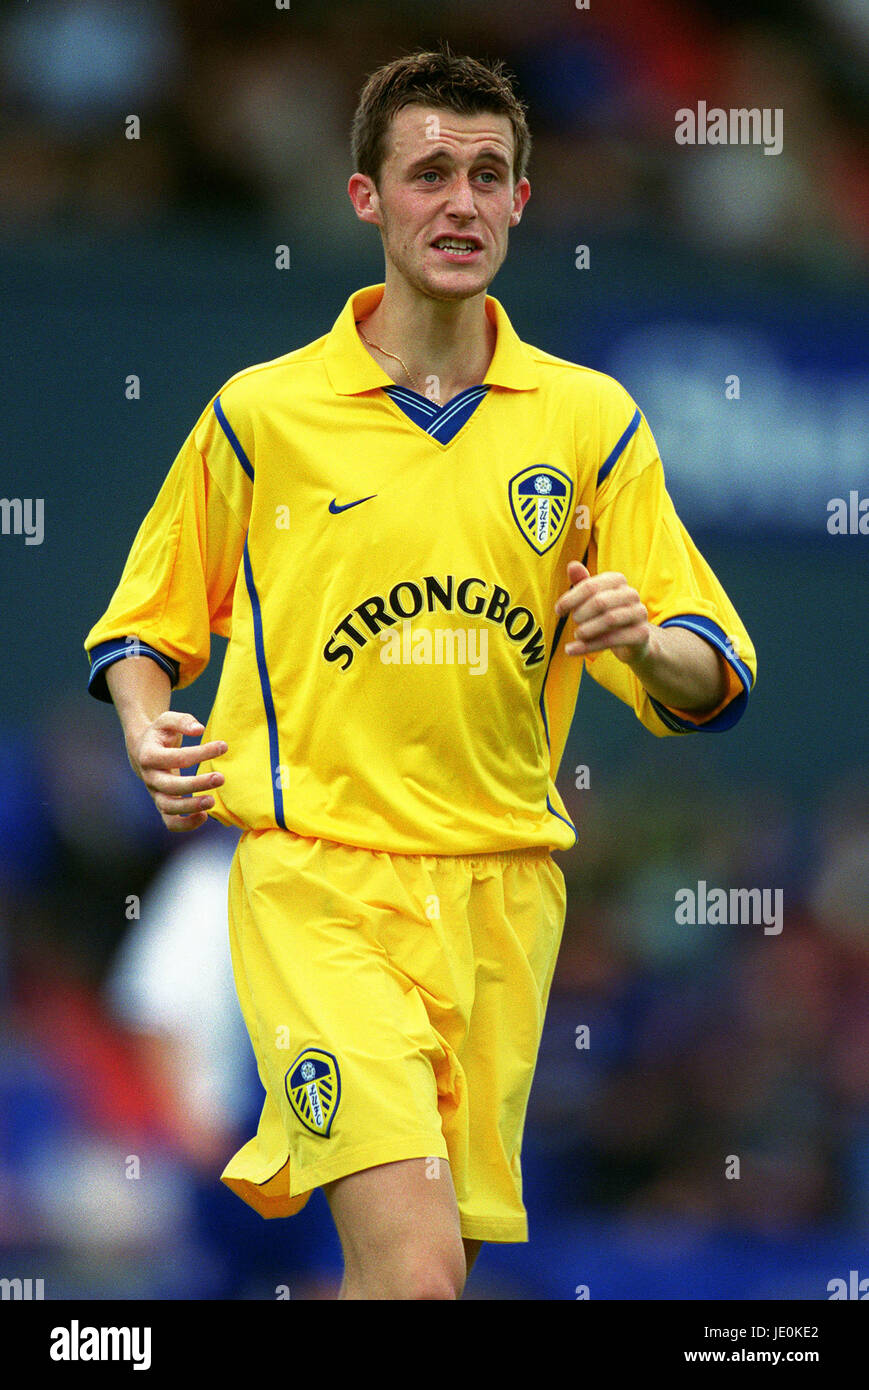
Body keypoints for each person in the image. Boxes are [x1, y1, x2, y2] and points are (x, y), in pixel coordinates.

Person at [84, 44, 756, 1300]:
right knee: (416, 1273)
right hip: (318, 883)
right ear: (365, 201)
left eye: (487, 174)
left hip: (505, 895)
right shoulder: (261, 415)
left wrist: (639, 637)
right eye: (428, 172)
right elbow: (144, 625)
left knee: (430, 1273)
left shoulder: (588, 421)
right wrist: (144, 722)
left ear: (519, 204)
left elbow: (708, 673)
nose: (459, 199)